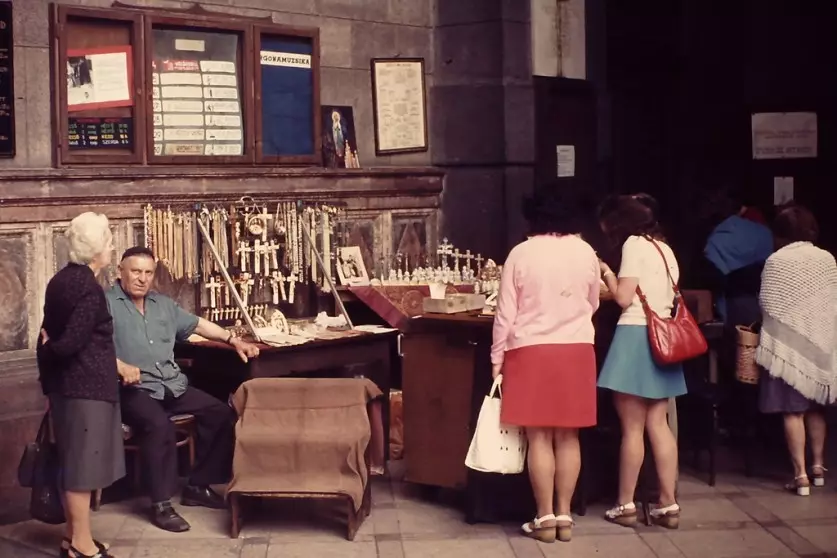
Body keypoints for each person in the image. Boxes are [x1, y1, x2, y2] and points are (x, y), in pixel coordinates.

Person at [106, 246, 260, 532]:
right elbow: (92, 347)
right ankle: (161, 504)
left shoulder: (162, 304)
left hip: (170, 385)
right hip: (132, 389)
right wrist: (118, 366)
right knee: (158, 425)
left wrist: (232, 339)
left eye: (148, 272)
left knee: (220, 413)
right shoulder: (106, 304)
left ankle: (198, 486)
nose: (142, 278)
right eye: (136, 271)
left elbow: (198, 325)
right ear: (120, 271)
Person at [491, 190, 600, 543]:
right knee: (569, 435)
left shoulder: (520, 253)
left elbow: (505, 314)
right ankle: (566, 515)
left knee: (538, 436)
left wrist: (497, 359)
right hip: (577, 349)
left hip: (530, 350)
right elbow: (593, 301)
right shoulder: (586, 252)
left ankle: (545, 516)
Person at [37, 212, 126, 558]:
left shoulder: (60, 280)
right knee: (82, 469)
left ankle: (72, 538)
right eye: (108, 240)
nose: (111, 247)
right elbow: (69, 343)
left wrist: (48, 374)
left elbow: (47, 336)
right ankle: (81, 545)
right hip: (86, 389)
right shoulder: (89, 287)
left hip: (66, 388)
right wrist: (52, 349)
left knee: (72, 462)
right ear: (96, 250)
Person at [597, 194, 686, 529]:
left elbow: (623, 297)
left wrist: (606, 272)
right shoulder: (665, 249)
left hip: (635, 336)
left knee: (632, 429)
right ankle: (669, 504)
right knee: (658, 426)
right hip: (662, 340)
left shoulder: (634, 245)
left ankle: (625, 505)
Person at [755, 205, 837, 496]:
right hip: (820, 345)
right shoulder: (827, 259)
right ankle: (817, 467)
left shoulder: (777, 261)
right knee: (816, 409)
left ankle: (800, 475)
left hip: (787, 350)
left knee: (792, 412)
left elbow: (768, 304)